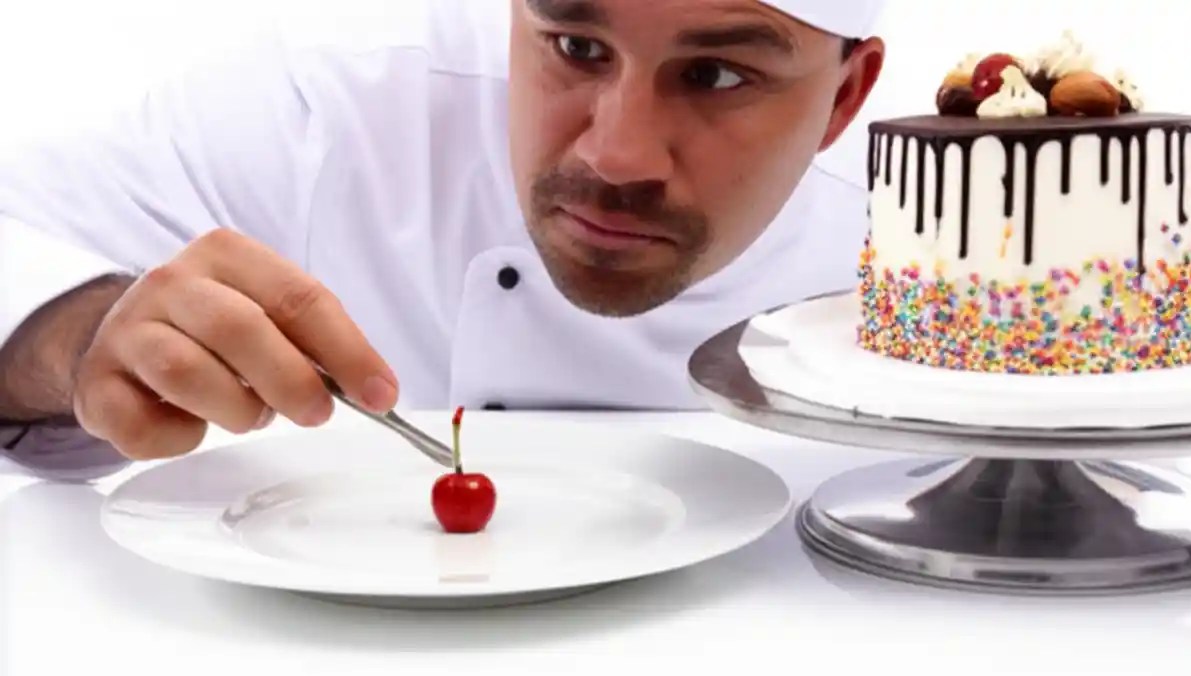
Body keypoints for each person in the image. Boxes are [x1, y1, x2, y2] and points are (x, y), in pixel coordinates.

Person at [0, 0, 885, 478]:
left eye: (717, 74)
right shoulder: (344, 105)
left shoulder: (934, 237)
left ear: (844, 100)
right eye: (576, 47)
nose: (617, 156)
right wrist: (75, 340)